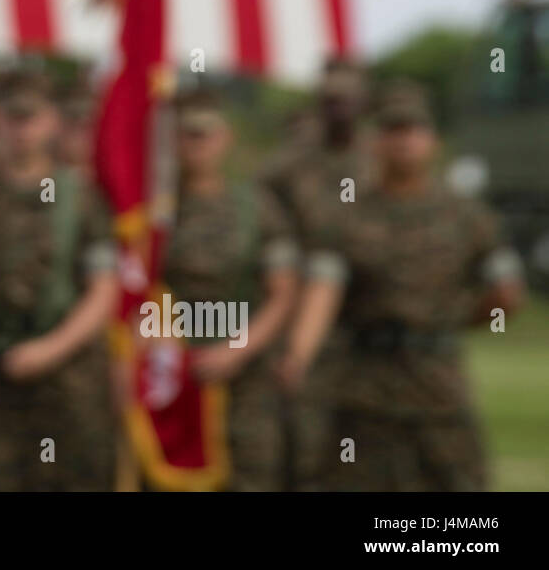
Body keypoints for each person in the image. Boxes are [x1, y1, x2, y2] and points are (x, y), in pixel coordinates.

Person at [281, 80, 525, 491]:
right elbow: (324, 289)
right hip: (364, 389)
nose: (404, 140)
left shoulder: (467, 217)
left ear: (433, 141)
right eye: (393, 129)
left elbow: (507, 293)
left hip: (438, 387)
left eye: (414, 129)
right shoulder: (349, 215)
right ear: (376, 141)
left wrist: (453, 321)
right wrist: (298, 355)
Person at [0, 53, 118, 491]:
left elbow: (103, 291)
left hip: (69, 380)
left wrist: (50, 349)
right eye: (12, 117)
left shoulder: (81, 198)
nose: (21, 129)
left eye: (31, 117)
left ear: (52, 122)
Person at [160, 89, 297, 490]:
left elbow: (283, 293)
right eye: (187, 134)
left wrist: (236, 349)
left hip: (245, 374)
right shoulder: (154, 208)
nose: (195, 143)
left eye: (205, 134)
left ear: (226, 138)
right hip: (169, 372)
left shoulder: (257, 207)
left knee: (248, 477)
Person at [261, 57, 373, 490]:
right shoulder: (287, 168)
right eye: (330, 99)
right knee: (304, 451)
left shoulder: (382, 161)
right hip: (304, 326)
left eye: (347, 98)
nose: (339, 107)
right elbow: (263, 234)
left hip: (373, 332)